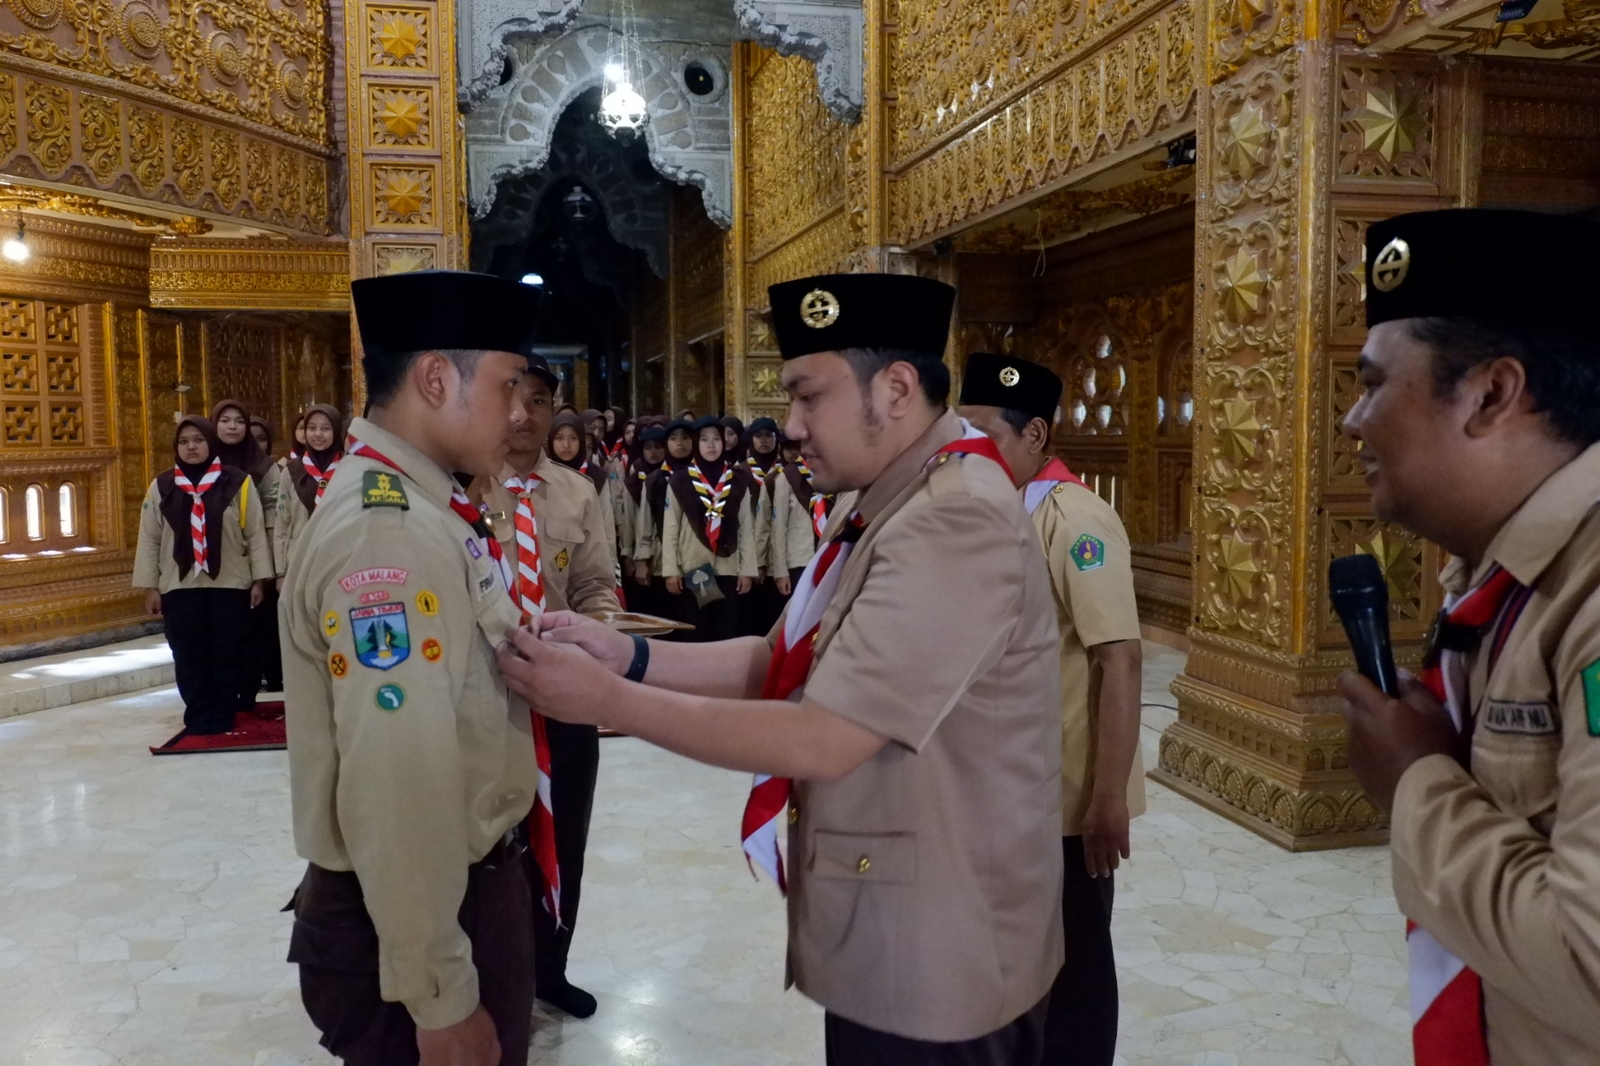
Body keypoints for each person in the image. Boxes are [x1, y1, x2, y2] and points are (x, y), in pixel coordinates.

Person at [497, 272, 1065, 1066]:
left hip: (942, 943)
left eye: (807, 396)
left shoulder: (953, 515)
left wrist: (609, 700)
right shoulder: (887, 496)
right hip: (896, 917)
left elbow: (826, 737)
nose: (790, 426)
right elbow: (781, 658)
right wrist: (625, 652)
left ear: (896, 389)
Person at [1336, 209, 1600, 1066]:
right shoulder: (1504, 578)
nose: (1353, 420)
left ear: (1491, 393)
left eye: (1373, 384)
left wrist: (1417, 784)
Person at [281, 270, 545, 1066]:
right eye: (508, 387)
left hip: (455, 890)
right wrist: (438, 993)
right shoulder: (386, 531)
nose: (523, 413)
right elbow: (397, 775)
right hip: (419, 914)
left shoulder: (428, 504)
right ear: (436, 379)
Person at [959, 351, 1144, 1066]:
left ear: (1034, 434)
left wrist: (1106, 800)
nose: (969, 454)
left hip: (1065, 799)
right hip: (1004, 787)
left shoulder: (1077, 521)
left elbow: (1119, 659)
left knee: (1077, 968)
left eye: (986, 437)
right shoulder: (988, 512)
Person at [469, 354, 619, 1022]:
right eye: (514, 399)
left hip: (563, 695)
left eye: (539, 402)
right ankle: (485, 975)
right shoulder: (465, 487)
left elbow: (595, 582)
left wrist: (597, 636)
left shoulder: (577, 492)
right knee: (492, 841)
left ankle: (550, 966)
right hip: (486, 697)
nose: (524, 416)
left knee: (566, 831)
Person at [133, 416, 272, 735]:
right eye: (184, 441)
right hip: (179, 586)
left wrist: (259, 579)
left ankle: (223, 710)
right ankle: (197, 712)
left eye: (198, 440)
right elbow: (150, 538)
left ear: (211, 442)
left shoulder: (238, 482)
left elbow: (254, 533)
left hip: (230, 584)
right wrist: (150, 587)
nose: (191, 447)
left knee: (227, 651)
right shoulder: (162, 486)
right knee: (187, 652)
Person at [660, 415, 758, 641]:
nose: (711, 445)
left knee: (726, 630)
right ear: (696, 443)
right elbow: (671, 527)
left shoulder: (738, 479)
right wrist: (671, 570)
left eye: (716, 439)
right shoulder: (680, 480)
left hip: (728, 566)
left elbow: (745, 528)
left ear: (724, 442)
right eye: (704, 439)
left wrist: (746, 570)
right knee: (697, 629)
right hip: (695, 566)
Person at [213, 398, 282, 694]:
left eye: (239, 421)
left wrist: (265, 565)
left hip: (254, 556)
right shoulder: (203, 463)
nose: (233, 427)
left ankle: (250, 687)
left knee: (254, 626)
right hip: (216, 560)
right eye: (226, 421)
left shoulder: (263, 466)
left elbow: (273, 513)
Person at [633, 418, 695, 631]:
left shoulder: (702, 478)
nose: (680, 444)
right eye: (674, 439)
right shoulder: (655, 479)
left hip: (696, 562)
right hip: (662, 560)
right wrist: (642, 559)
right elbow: (645, 522)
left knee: (695, 619)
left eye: (686, 438)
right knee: (667, 620)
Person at [275, 404, 345, 588]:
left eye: (326, 428)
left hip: (341, 561)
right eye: (312, 428)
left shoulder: (349, 467)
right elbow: (282, 522)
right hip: (299, 562)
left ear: (336, 432)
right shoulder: (291, 470)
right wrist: (281, 573)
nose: (318, 434)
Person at [742, 417, 786, 636]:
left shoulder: (786, 472)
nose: (764, 441)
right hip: (749, 547)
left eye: (769, 435)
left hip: (779, 552)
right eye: (758, 436)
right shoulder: (740, 471)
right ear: (751, 439)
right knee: (751, 613)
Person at [620, 424, 667, 617]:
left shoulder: (676, 478)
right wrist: (630, 557)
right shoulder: (633, 484)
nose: (653, 452)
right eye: (648, 448)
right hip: (643, 559)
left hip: (668, 560)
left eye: (658, 446)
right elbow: (627, 523)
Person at [769, 432, 827, 591]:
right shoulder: (788, 475)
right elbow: (778, 524)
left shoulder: (830, 471)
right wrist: (780, 571)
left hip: (827, 554)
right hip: (800, 557)